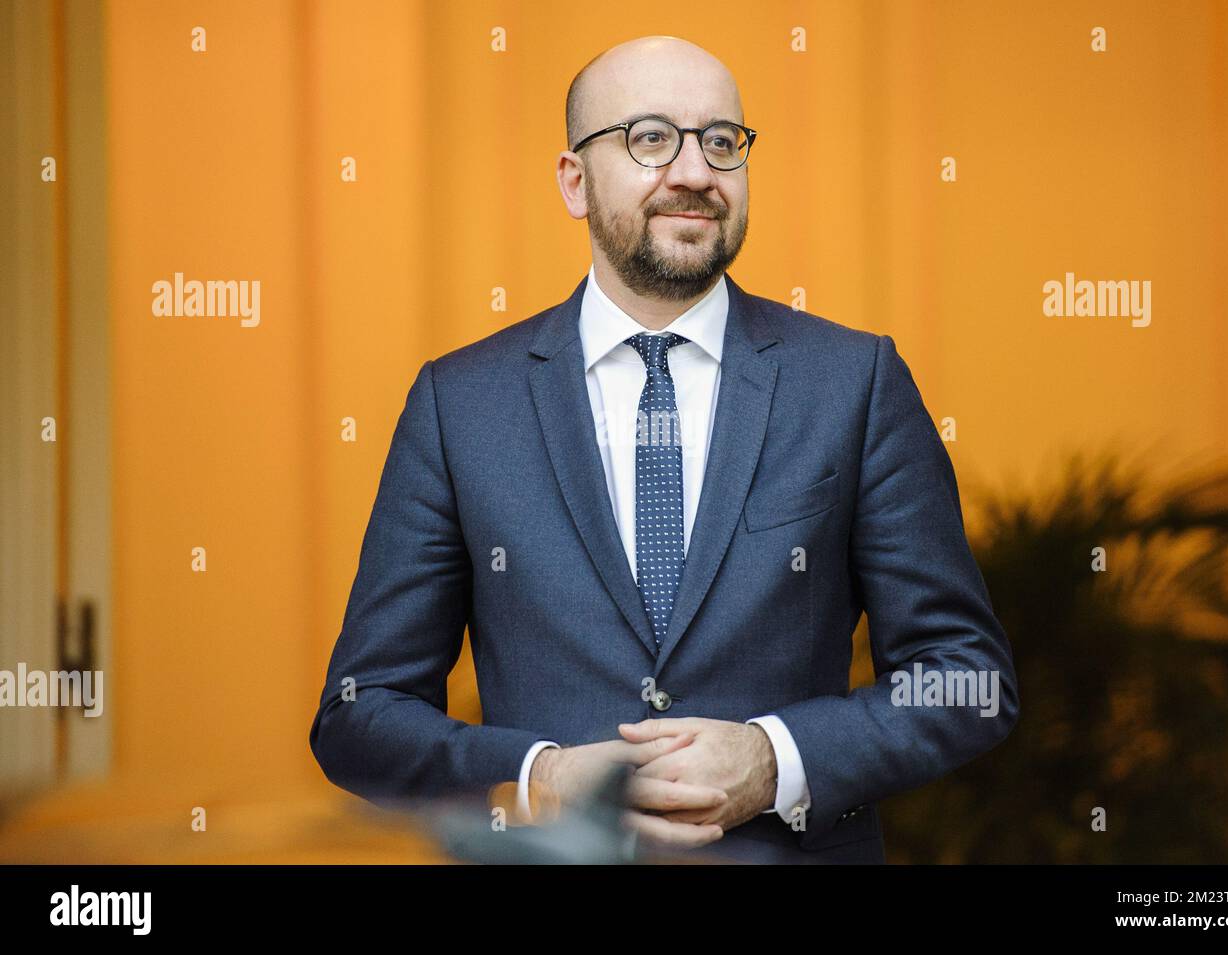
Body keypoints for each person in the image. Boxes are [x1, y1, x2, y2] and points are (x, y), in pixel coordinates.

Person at [309, 35, 1018, 864]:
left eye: (721, 141)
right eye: (650, 137)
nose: (693, 172)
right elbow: (360, 712)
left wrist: (775, 758)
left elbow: (967, 678)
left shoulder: (853, 382)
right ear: (574, 182)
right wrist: (538, 776)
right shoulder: (460, 404)